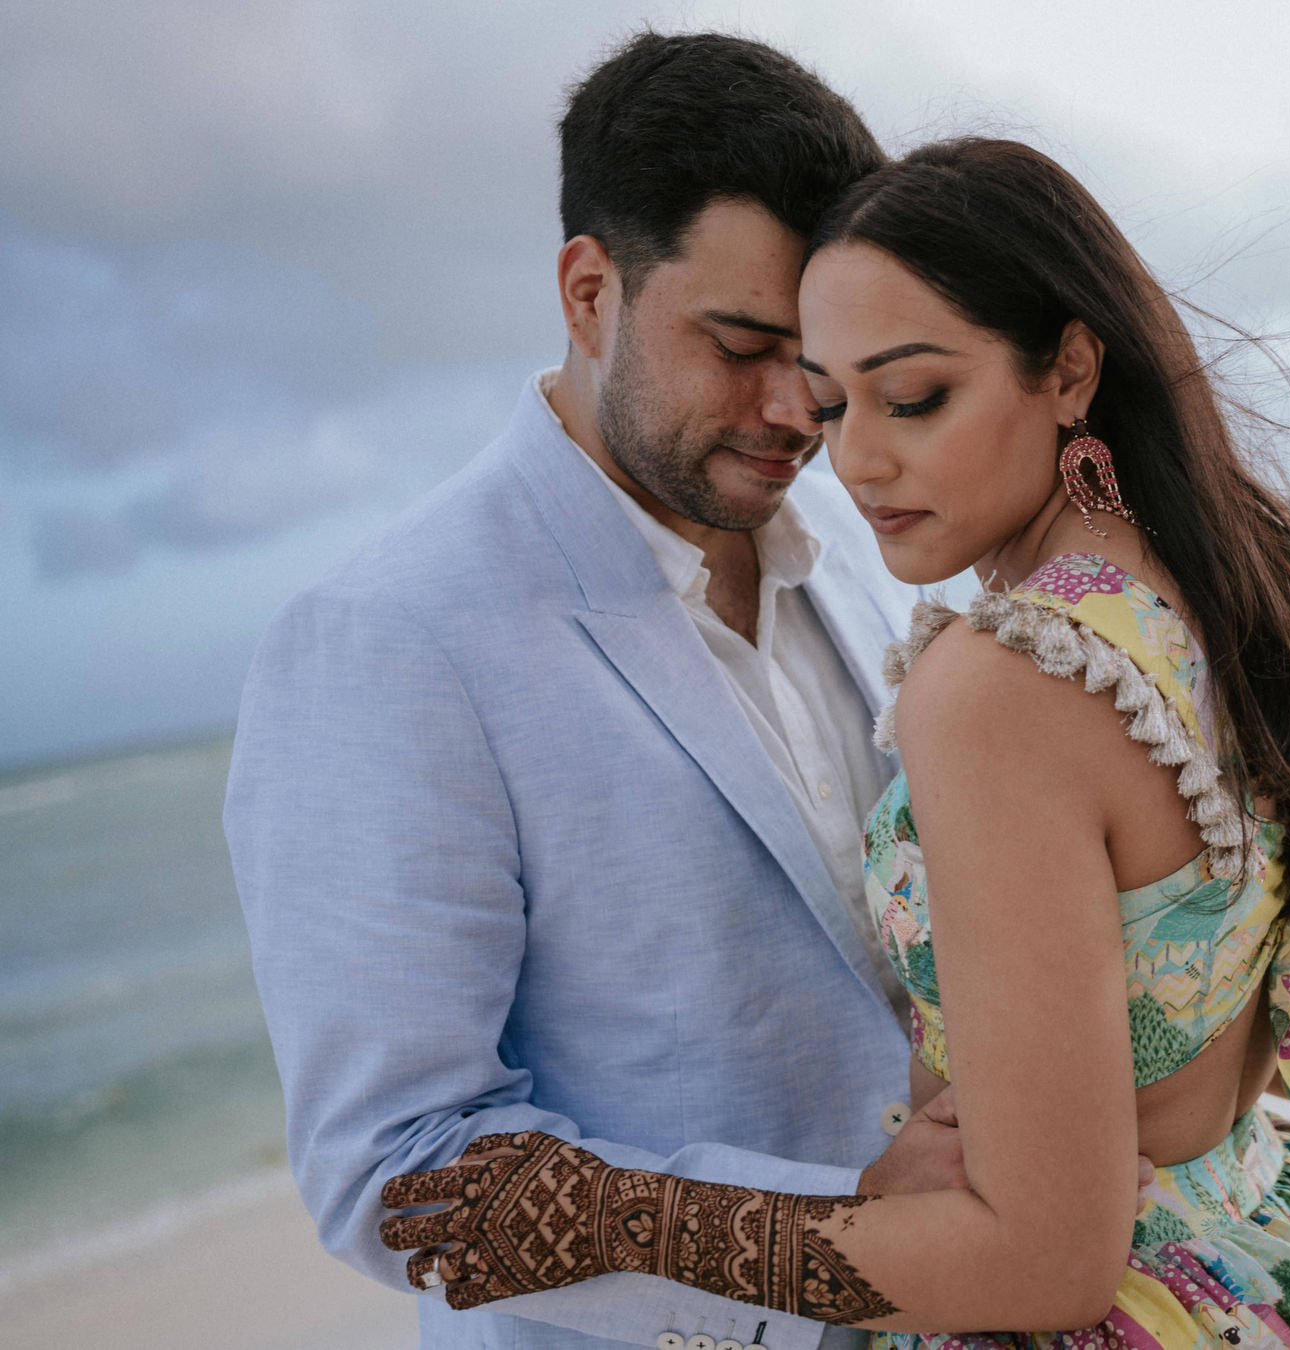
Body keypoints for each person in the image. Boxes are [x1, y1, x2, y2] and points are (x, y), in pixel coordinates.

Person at [377, 137, 1290, 1350]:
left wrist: (634, 1222)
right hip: (1258, 1248)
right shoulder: (1201, 595)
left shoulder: (999, 687)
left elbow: (1044, 1260)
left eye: (916, 395)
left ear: (1071, 368)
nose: (859, 458)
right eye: (834, 405)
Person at [224, 33, 969, 1350]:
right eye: (743, 341)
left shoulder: (854, 553)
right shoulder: (386, 639)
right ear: (587, 291)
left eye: (827, 357)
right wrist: (853, 1227)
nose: (800, 408)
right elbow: (396, 1168)